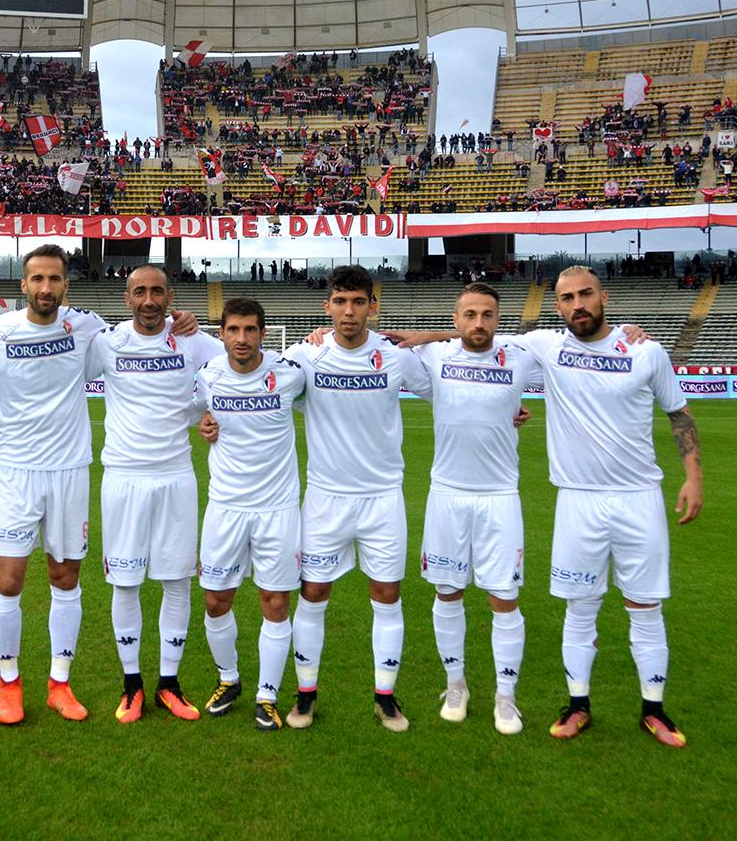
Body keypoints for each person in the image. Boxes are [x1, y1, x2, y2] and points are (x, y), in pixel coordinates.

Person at [0, 245, 196, 724]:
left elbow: (142, 327)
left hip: (70, 470)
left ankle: (60, 683)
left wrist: (179, 321)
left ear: (65, 285)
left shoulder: (87, 326)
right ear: (23, 285)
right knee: (7, 580)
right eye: (36, 279)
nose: (45, 287)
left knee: (65, 577)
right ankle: (10, 684)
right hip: (16, 472)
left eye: (54, 279)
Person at [422, 266, 701, 747]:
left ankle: (654, 710)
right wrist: (426, 336)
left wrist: (693, 477)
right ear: (557, 307)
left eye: (585, 294)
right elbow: (477, 336)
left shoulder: (644, 350)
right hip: (576, 498)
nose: (578, 304)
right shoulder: (547, 345)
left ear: (603, 296)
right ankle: (577, 706)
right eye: (568, 298)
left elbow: (678, 411)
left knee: (645, 605)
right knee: (580, 606)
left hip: (640, 496)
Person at [280, 265, 431, 732]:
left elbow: (450, 386)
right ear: (327, 306)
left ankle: (385, 696)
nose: (349, 311)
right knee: (313, 594)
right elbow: (256, 387)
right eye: (341, 302)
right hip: (325, 499)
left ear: (372, 306)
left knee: (387, 595)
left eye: (358, 302)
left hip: (383, 499)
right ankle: (306, 695)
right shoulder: (305, 356)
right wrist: (210, 420)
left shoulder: (395, 357)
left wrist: (510, 407)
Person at [84, 265, 221, 723]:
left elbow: (243, 360)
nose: (148, 300)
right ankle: (132, 686)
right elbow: (56, 362)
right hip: (123, 478)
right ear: (127, 299)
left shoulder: (192, 340)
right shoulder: (108, 342)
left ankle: (169, 683)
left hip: (176, 476)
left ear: (170, 297)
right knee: (125, 583)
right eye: (139, 292)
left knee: (177, 581)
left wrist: (204, 410)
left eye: (157, 291)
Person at [407, 283, 541, 734]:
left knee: (504, 598)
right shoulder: (436, 356)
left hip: (499, 496)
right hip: (447, 494)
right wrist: (317, 336)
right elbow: (379, 342)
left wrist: (631, 331)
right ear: (455, 319)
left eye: (487, 314)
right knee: (447, 592)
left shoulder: (520, 357)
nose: (479, 323)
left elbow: (581, 350)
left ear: (499, 319)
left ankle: (506, 696)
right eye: (469, 314)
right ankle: (456, 684)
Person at [193, 298, 306, 730]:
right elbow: (197, 413)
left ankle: (268, 696)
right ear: (221, 333)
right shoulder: (208, 376)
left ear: (263, 333)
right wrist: (204, 423)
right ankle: (229, 678)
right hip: (225, 507)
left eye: (250, 330)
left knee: (274, 602)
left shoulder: (290, 374)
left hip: (277, 509)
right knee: (215, 600)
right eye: (234, 330)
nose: (242, 338)